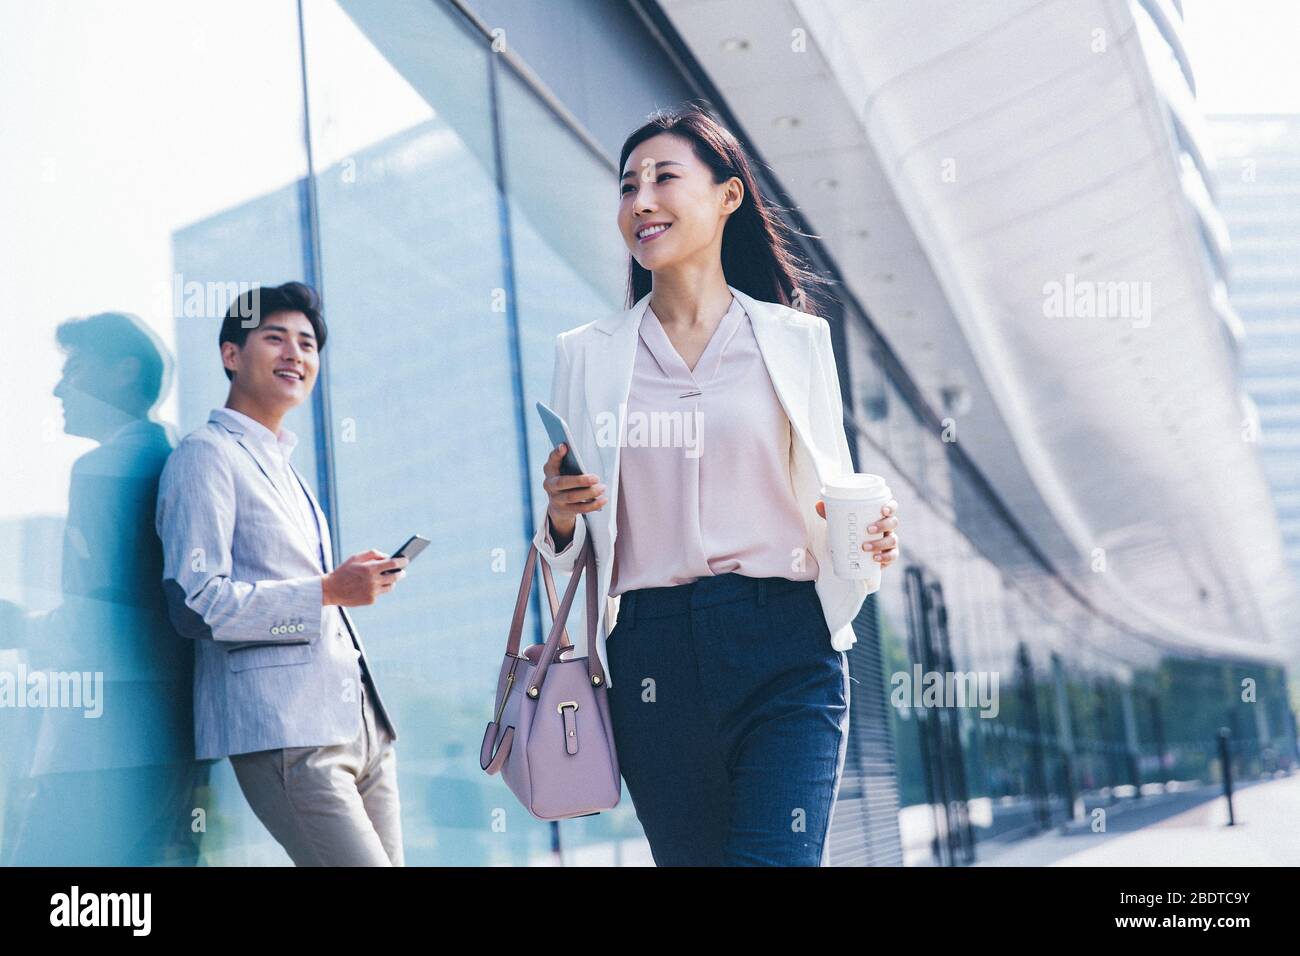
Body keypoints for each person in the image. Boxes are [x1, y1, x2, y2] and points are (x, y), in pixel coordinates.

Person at [533, 106, 901, 866]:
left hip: (787, 646)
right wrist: (562, 522)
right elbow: (579, 550)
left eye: (664, 177)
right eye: (628, 185)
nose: (641, 200)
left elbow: (829, 495)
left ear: (728, 196)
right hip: (652, 659)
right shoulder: (587, 357)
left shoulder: (797, 341)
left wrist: (867, 537)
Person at [155, 281, 408, 865]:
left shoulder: (284, 466)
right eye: (276, 338)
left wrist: (343, 588)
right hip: (291, 734)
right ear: (231, 355)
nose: (297, 353)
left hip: (362, 727)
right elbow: (195, 602)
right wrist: (327, 590)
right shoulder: (205, 454)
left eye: (308, 343)